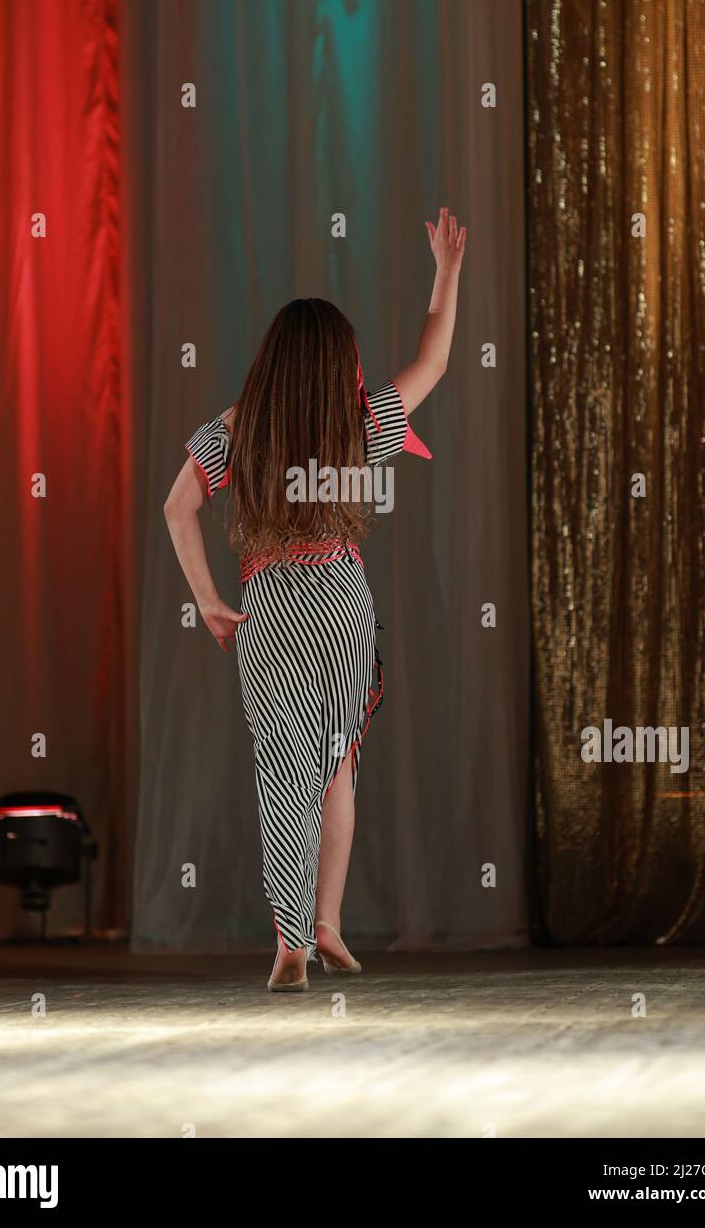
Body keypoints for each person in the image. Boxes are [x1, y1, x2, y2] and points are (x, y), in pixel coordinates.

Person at [164, 207, 466, 990]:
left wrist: (207, 602)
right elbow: (433, 363)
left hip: (267, 607)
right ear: (339, 362)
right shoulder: (355, 425)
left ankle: (293, 940)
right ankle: (326, 920)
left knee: (283, 769)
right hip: (338, 600)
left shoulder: (238, 428)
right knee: (337, 767)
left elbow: (176, 507)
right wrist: (446, 272)